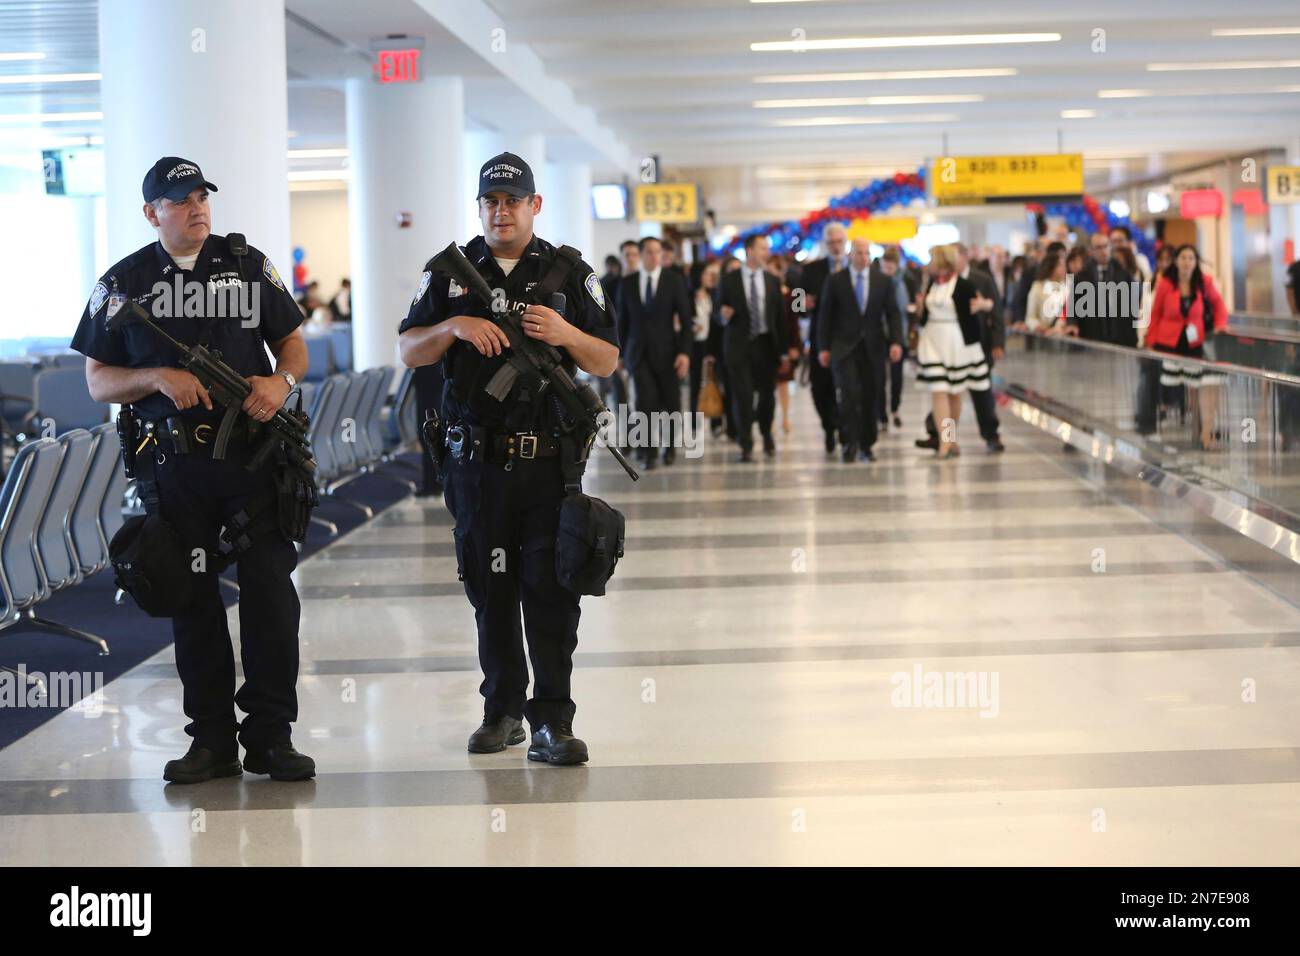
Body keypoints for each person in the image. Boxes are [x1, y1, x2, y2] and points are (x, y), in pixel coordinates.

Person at [71, 156, 314, 784]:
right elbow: (98, 382)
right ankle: (211, 741)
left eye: (202, 195)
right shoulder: (124, 283)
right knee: (192, 601)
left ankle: (270, 736)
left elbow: (293, 343)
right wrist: (155, 376)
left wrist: (280, 382)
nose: (197, 207)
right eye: (181, 200)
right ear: (152, 213)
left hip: (253, 463)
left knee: (269, 596)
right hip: (174, 470)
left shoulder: (246, 265)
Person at [397, 152, 618, 765]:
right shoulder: (448, 272)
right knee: (489, 587)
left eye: (513, 201)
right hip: (477, 465)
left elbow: (606, 361)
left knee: (550, 588)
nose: (502, 211)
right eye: (491, 201)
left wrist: (566, 335)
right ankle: (501, 711)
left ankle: (553, 721)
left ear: (534, 206)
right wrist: (455, 328)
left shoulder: (570, 273)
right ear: (481, 208)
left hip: (548, 465)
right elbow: (411, 348)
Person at [816, 238, 903, 462]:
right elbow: (823, 315)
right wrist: (821, 346)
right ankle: (848, 441)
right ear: (849, 254)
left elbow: (893, 313)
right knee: (848, 395)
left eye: (866, 253)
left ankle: (867, 443)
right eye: (858, 253)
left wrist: (896, 341)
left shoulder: (883, 281)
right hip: (843, 347)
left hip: (873, 347)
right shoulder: (831, 278)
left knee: (871, 395)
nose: (863, 257)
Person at [1141, 244, 1228, 450]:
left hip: (1195, 342)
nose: (1187, 262)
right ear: (1176, 261)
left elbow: (1219, 305)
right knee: (1173, 387)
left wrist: (1220, 325)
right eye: (1183, 258)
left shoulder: (1204, 283)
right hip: (1169, 342)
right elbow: (1156, 313)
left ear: (1196, 262)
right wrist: (1151, 341)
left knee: (1201, 384)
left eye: (1191, 258)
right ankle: (1160, 424)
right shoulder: (1166, 284)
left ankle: (1204, 430)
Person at [616, 236, 691, 468]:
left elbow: (687, 320)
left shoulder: (674, 281)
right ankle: (647, 453)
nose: (655, 256)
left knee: (671, 403)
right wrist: (618, 354)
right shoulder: (627, 284)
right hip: (638, 354)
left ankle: (669, 448)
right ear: (640, 254)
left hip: (668, 352)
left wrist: (685, 353)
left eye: (658, 252)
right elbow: (621, 322)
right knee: (644, 403)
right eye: (649, 252)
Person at [915, 244, 994, 459]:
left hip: (956, 342)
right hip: (933, 341)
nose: (929, 264)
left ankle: (950, 439)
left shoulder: (963, 285)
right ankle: (945, 441)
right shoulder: (930, 283)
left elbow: (987, 303)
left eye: (932, 260)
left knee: (954, 393)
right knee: (938, 390)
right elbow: (923, 316)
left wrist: (983, 305)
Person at [719, 235, 787, 462]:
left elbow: (780, 317)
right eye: (762, 248)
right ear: (749, 250)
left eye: (767, 248)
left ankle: (767, 434)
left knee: (767, 396)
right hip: (739, 346)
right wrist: (722, 315)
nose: (766, 252)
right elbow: (717, 311)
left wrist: (785, 349)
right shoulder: (729, 280)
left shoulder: (772, 280)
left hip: (766, 345)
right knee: (743, 396)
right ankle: (745, 442)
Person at [799, 223, 848, 454]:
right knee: (820, 387)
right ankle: (829, 426)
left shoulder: (855, 268)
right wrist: (804, 304)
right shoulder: (811, 270)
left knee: (848, 386)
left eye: (840, 242)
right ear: (826, 244)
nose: (836, 247)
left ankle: (845, 427)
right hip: (821, 336)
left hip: (848, 337)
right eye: (832, 243)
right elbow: (796, 304)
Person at [767, 255, 803, 435]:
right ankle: (770, 418)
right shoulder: (764, 294)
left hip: (787, 343)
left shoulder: (793, 294)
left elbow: (796, 321)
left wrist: (796, 346)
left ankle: (786, 417)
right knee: (769, 384)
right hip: (769, 345)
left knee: (783, 383)